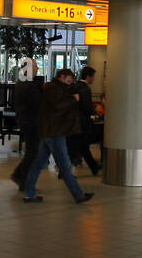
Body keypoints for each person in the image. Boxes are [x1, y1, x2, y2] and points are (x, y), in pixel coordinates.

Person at [22, 68, 93, 205]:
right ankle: (79, 195)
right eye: (69, 79)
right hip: (55, 132)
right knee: (65, 166)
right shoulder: (53, 89)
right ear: (62, 77)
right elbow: (59, 106)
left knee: (38, 164)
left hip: (49, 131)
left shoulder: (55, 88)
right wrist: (74, 99)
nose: (70, 82)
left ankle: (29, 194)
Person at [9, 68, 44, 190]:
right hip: (31, 123)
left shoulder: (21, 83)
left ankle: (21, 178)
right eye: (35, 68)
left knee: (31, 152)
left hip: (25, 121)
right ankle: (21, 178)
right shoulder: (29, 85)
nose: (37, 70)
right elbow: (37, 103)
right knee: (32, 153)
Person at [69, 66, 101, 176]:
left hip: (75, 121)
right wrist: (94, 112)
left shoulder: (76, 86)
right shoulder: (85, 88)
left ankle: (94, 167)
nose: (94, 79)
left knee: (81, 147)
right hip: (83, 122)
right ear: (88, 76)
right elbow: (86, 106)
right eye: (93, 77)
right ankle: (94, 167)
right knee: (79, 146)